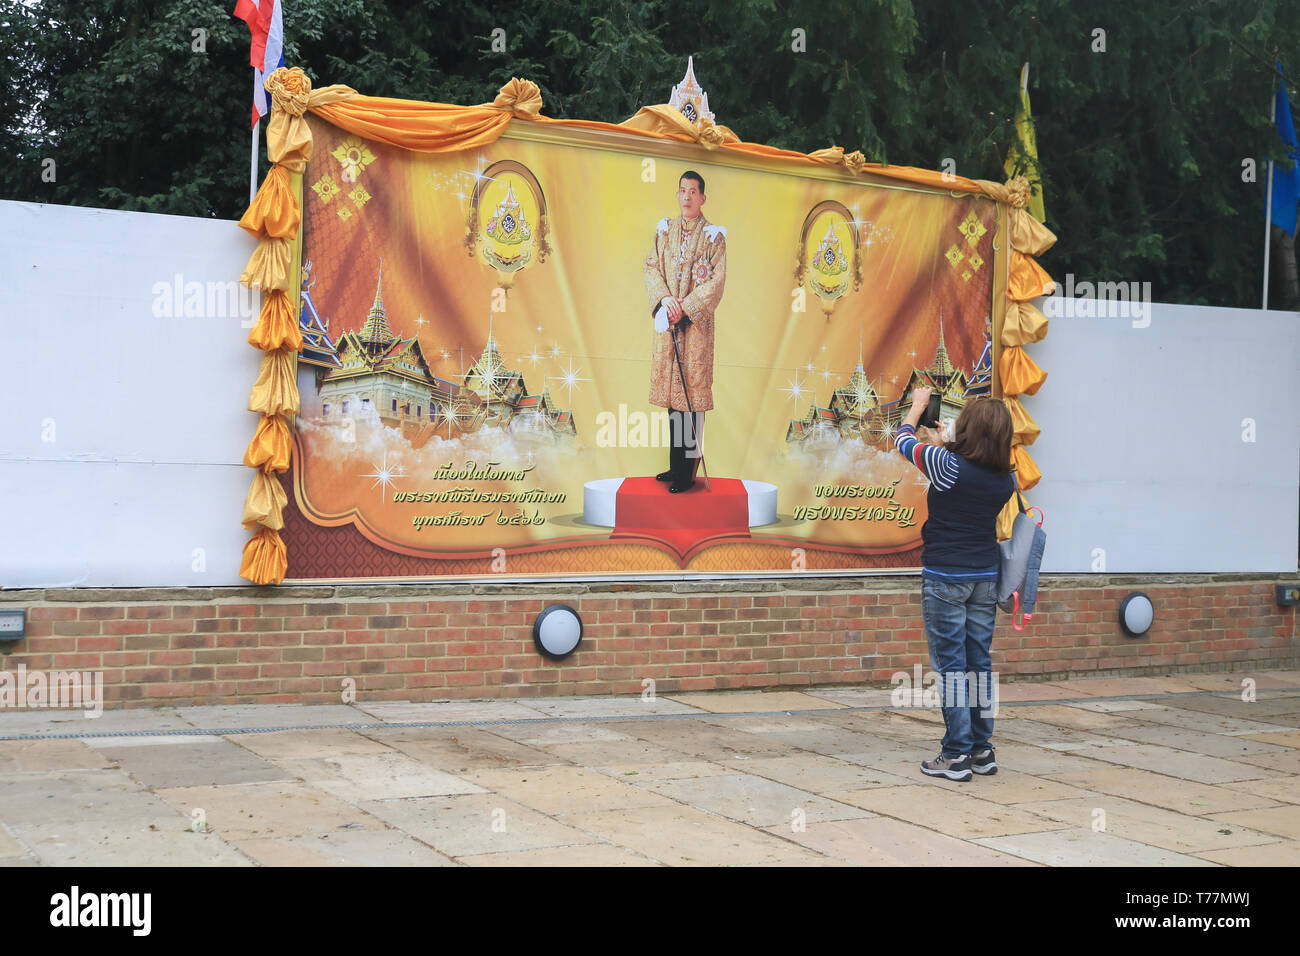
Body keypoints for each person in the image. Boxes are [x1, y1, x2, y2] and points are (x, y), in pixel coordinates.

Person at [894, 388, 1016, 781]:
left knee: (951, 668)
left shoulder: (947, 466)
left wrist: (915, 407)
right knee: (978, 664)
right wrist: (946, 443)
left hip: (946, 576)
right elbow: (965, 466)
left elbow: (902, 440)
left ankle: (955, 754)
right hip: (984, 577)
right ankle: (982, 750)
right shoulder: (1005, 480)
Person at [643, 170, 727, 492]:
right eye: (682, 191)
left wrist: (685, 306)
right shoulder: (664, 232)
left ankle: (687, 473)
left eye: (693, 191)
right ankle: (676, 465)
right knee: (672, 401)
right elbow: (651, 266)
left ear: (702, 198)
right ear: (677, 195)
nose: (687, 196)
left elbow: (715, 284)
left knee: (690, 400)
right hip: (669, 323)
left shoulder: (714, 237)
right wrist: (666, 300)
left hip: (695, 330)